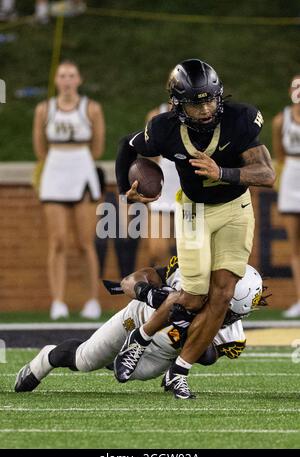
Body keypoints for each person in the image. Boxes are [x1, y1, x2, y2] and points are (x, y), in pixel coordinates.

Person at [115, 58, 275, 398]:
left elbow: (267, 174)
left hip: (236, 209)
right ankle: (139, 337)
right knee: (193, 294)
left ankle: (179, 371)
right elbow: (126, 147)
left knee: (222, 295)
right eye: (194, 101)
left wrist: (223, 173)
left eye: (209, 99)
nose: (204, 108)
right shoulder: (163, 129)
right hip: (194, 211)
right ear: (177, 103)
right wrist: (125, 191)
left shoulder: (239, 119)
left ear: (219, 96)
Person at [14, 258, 264, 394]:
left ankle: (150, 368)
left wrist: (186, 333)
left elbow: (209, 356)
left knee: (128, 372)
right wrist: (150, 294)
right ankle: (45, 359)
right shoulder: (190, 277)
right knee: (86, 359)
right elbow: (131, 280)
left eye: (233, 315)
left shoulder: (233, 333)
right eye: (227, 309)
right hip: (141, 317)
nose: (227, 318)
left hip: (164, 352)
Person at [34, 60, 105, 319]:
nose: (66, 80)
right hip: (55, 172)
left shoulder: (92, 109)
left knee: (85, 242)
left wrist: (77, 160)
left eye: (71, 75)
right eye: (62, 75)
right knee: (58, 241)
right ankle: (58, 301)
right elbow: (39, 147)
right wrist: (55, 163)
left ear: (79, 80)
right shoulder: (44, 109)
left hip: (82, 171)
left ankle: (92, 300)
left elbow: (97, 147)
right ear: (56, 80)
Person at [273, 75, 300, 318]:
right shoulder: (281, 120)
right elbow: (279, 155)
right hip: (292, 177)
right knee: (295, 246)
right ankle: (299, 299)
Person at [146, 103, 180, 266]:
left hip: (190, 187)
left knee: (191, 248)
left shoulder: (203, 115)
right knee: (156, 250)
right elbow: (150, 154)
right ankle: (169, 286)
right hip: (163, 186)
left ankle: (186, 288)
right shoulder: (155, 115)